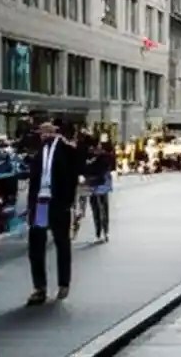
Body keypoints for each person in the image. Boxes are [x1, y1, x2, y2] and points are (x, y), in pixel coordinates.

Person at [26, 122, 79, 305]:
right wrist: (31, 208)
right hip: (41, 203)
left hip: (57, 204)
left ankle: (63, 283)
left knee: (61, 241)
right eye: (41, 133)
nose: (42, 136)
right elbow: (33, 181)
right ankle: (39, 287)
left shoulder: (65, 149)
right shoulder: (39, 152)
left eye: (45, 132)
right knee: (37, 244)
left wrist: (69, 202)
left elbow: (75, 171)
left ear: (53, 132)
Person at [82, 143, 113, 243]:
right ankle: (99, 233)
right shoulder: (89, 158)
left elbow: (101, 171)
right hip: (93, 186)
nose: (94, 150)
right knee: (96, 209)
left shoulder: (104, 158)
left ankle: (104, 232)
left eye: (96, 148)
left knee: (102, 209)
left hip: (101, 185)